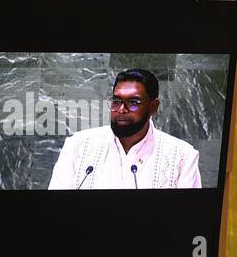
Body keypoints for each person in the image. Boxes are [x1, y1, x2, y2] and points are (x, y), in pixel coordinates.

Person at [48, 68, 201, 189]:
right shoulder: (78, 146)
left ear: (153, 107)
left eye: (133, 102)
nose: (121, 109)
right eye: (116, 101)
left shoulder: (183, 156)